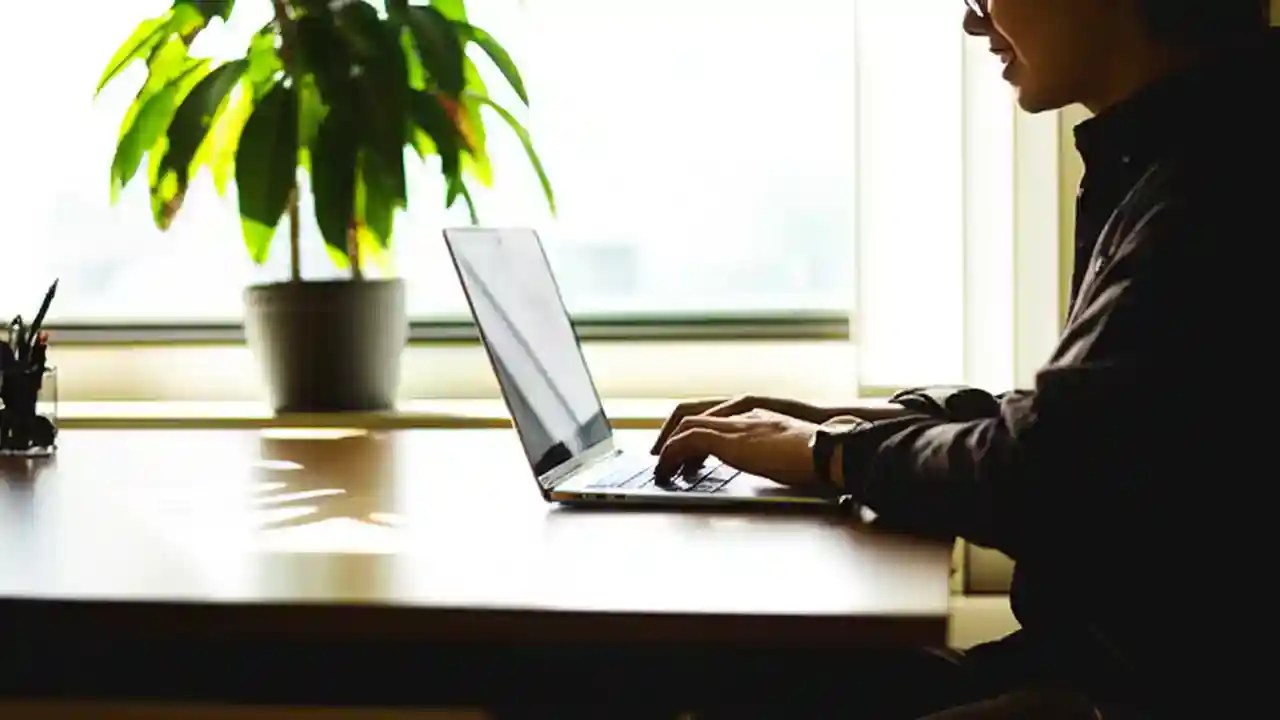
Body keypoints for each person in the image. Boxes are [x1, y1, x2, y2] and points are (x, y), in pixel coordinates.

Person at [651, 1, 1275, 717]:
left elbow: (1047, 472)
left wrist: (835, 455)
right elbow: (1104, 420)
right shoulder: (1185, 147)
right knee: (734, 674)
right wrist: (858, 424)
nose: (975, 22)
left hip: (1131, 693)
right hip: (1096, 667)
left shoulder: (1217, 186)